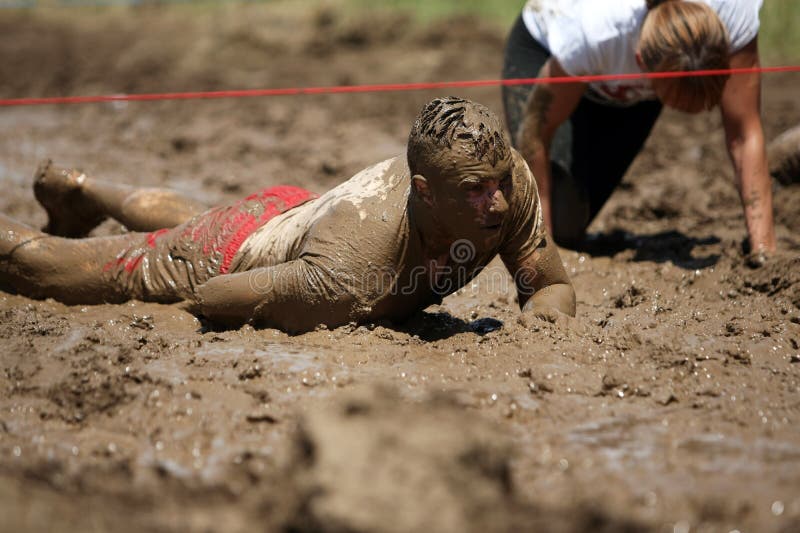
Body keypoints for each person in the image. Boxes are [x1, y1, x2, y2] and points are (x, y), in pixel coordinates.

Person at [0, 97, 576, 333]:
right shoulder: (350, 272)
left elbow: (548, 284)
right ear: (425, 192)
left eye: (501, 182)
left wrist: (544, 320)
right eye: (476, 191)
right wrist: (174, 315)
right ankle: (76, 190)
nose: (497, 203)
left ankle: (80, 189)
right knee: (49, 268)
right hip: (228, 251)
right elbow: (223, 293)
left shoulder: (513, 185)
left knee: (194, 223)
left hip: (292, 213)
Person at [502, 0, 775, 262]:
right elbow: (536, 129)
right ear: (641, 62)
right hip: (545, 50)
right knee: (556, 220)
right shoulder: (597, 32)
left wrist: (763, 248)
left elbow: (744, 134)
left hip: (627, 95)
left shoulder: (732, 11)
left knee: (569, 223)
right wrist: (544, 251)